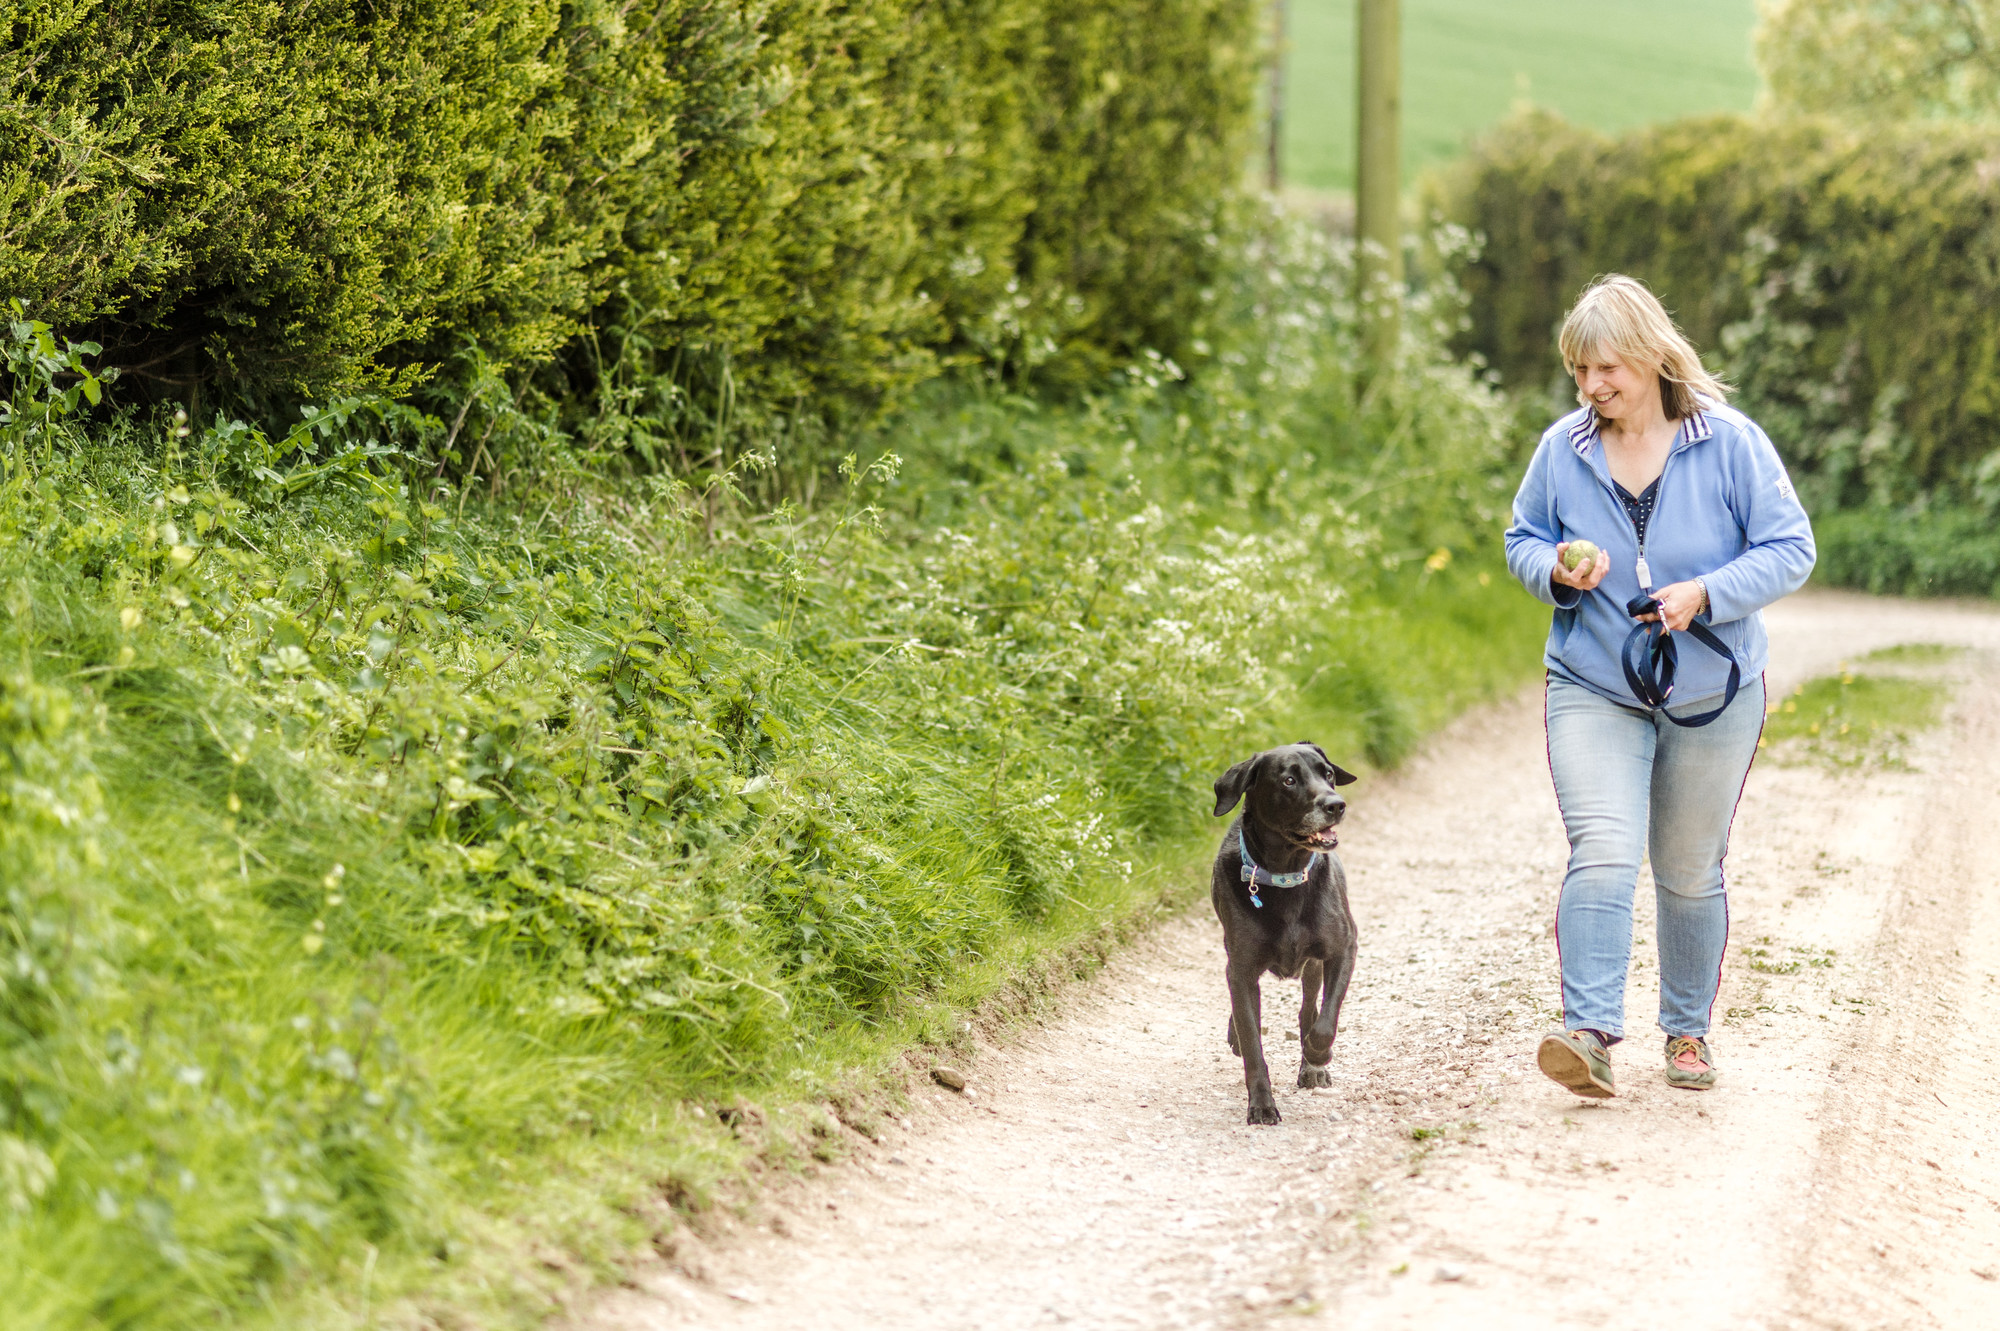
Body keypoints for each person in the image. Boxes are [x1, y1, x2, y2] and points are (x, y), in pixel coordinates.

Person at [1503, 274, 1815, 1097]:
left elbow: (1791, 548)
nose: (1591, 386)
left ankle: (1687, 1032)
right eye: (1579, 370)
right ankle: (1589, 1033)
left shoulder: (1731, 442)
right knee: (1604, 846)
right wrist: (1557, 569)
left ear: (1650, 356)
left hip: (1713, 691)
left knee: (1686, 867)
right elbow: (1522, 537)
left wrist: (1705, 592)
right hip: (1594, 684)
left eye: (1606, 368)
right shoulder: (1562, 449)